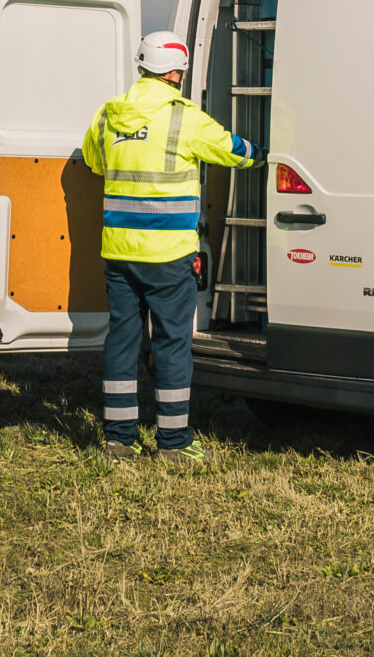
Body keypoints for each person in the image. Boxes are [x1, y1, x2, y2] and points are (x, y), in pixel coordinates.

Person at [80, 30, 258, 466]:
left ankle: (119, 441)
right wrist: (265, 152)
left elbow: (92, 161)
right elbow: (233, 151)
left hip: (120, 254)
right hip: (168, 257)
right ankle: (175, 444)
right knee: (171, 346)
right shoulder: (185, 118)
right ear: (175, 71)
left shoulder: (108, 115)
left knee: (122, 342)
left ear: (144, 66)